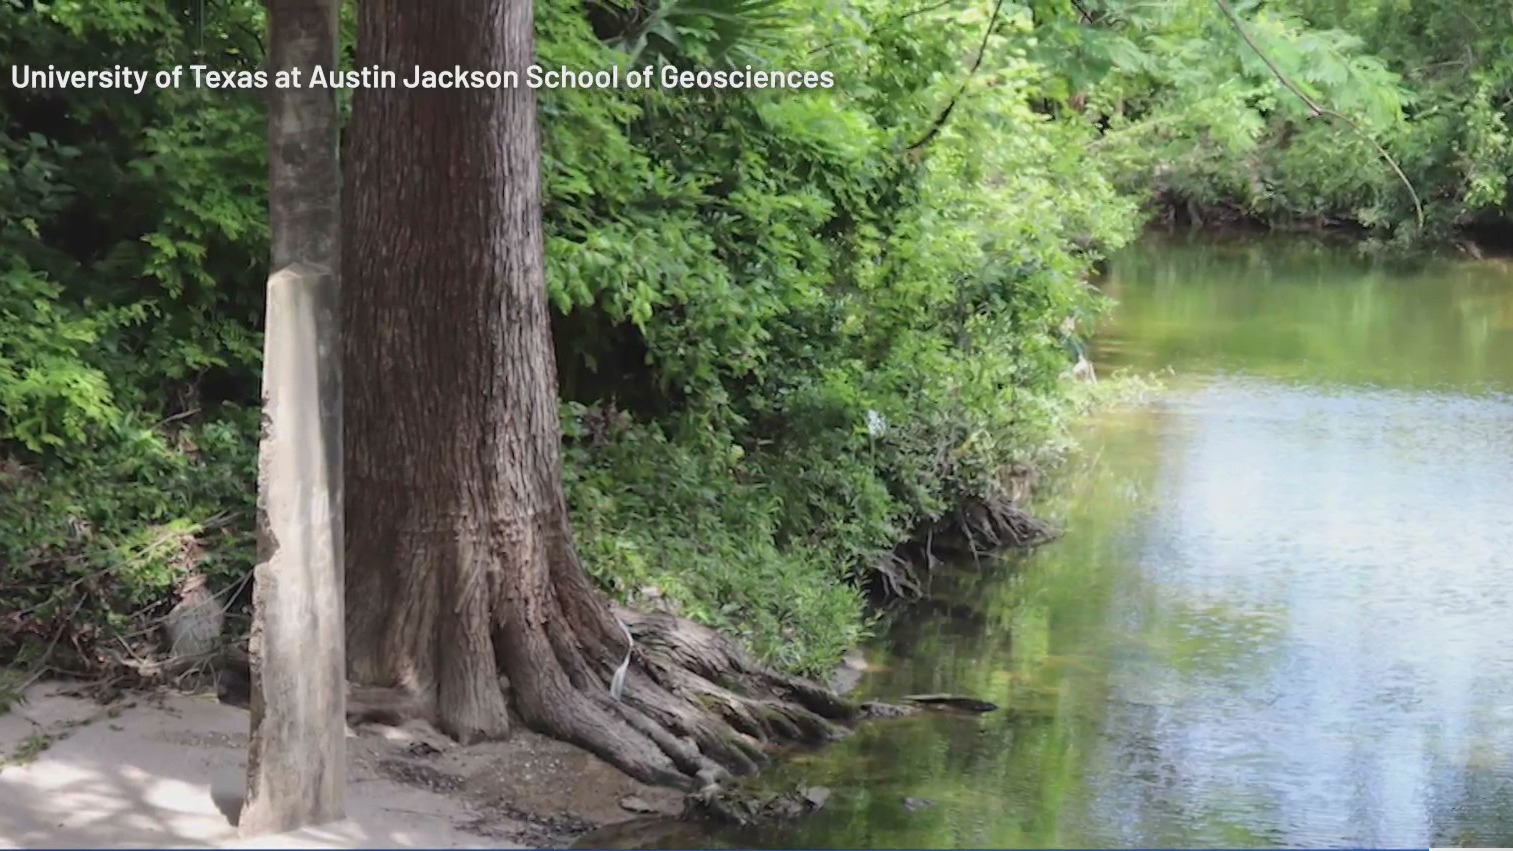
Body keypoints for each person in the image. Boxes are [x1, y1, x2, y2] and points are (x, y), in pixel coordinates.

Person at [1060, 315, 1097, 383]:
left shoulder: (1074, 339)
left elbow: (1081, 356)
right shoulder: (1064, 339)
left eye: (1064, 324)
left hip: (1077, 365)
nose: (1061, 327)